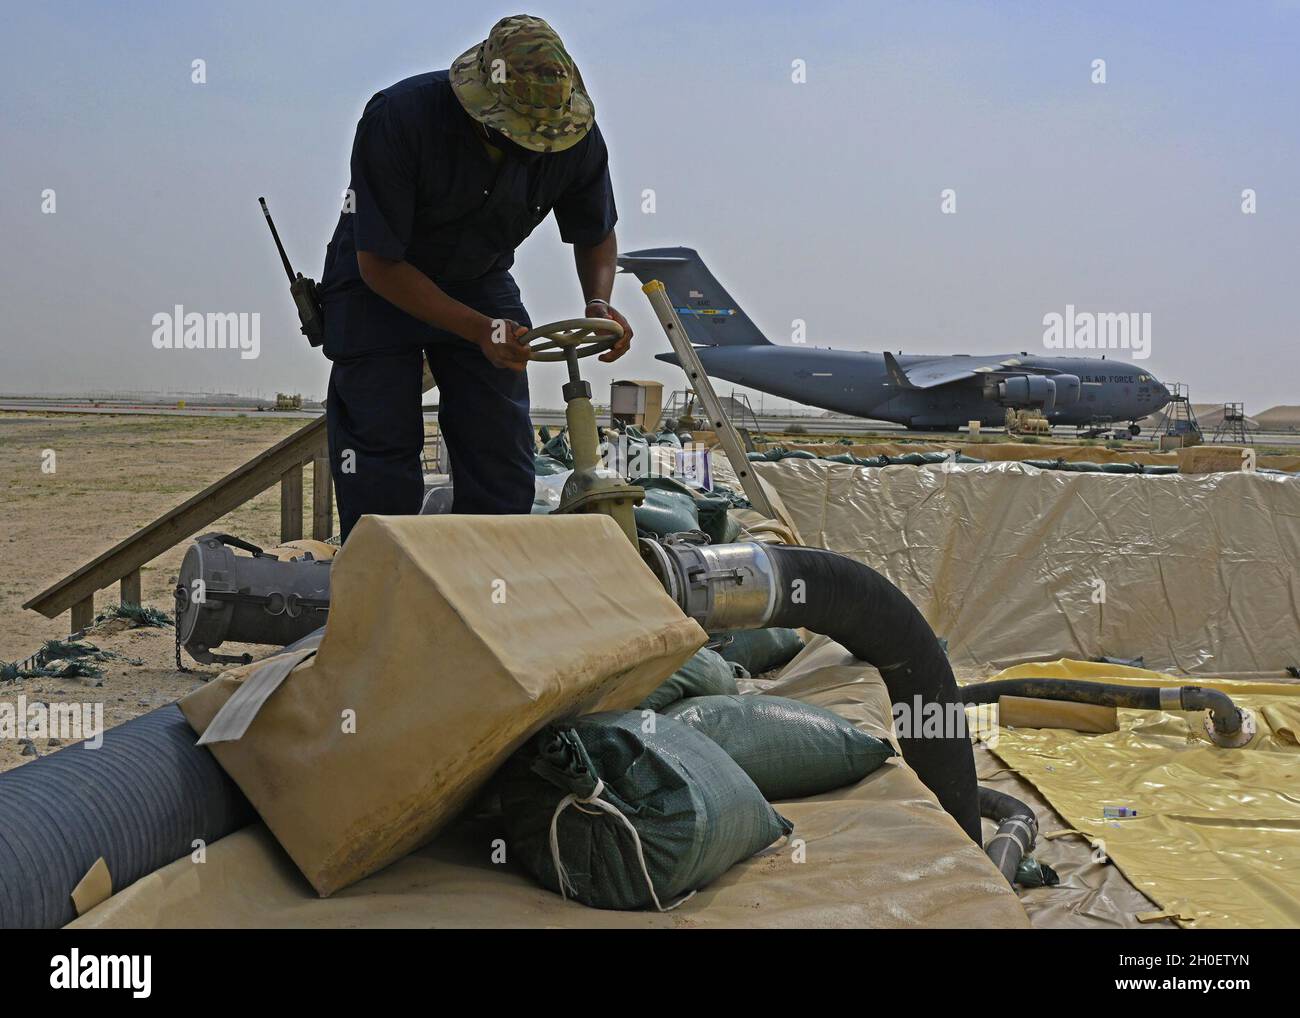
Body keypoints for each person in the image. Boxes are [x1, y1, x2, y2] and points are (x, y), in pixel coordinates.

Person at [318, 14, 632, 540]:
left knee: (501, 450)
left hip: (480, 276)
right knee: (381, 452)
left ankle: (491, 584)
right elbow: (380, 264)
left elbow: (595, 231)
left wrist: (598, 302)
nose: (534, 147)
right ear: (482, 108)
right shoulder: (399, 117)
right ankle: (383, 585)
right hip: (380, 279)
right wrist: (476, 329)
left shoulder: (574, 138)